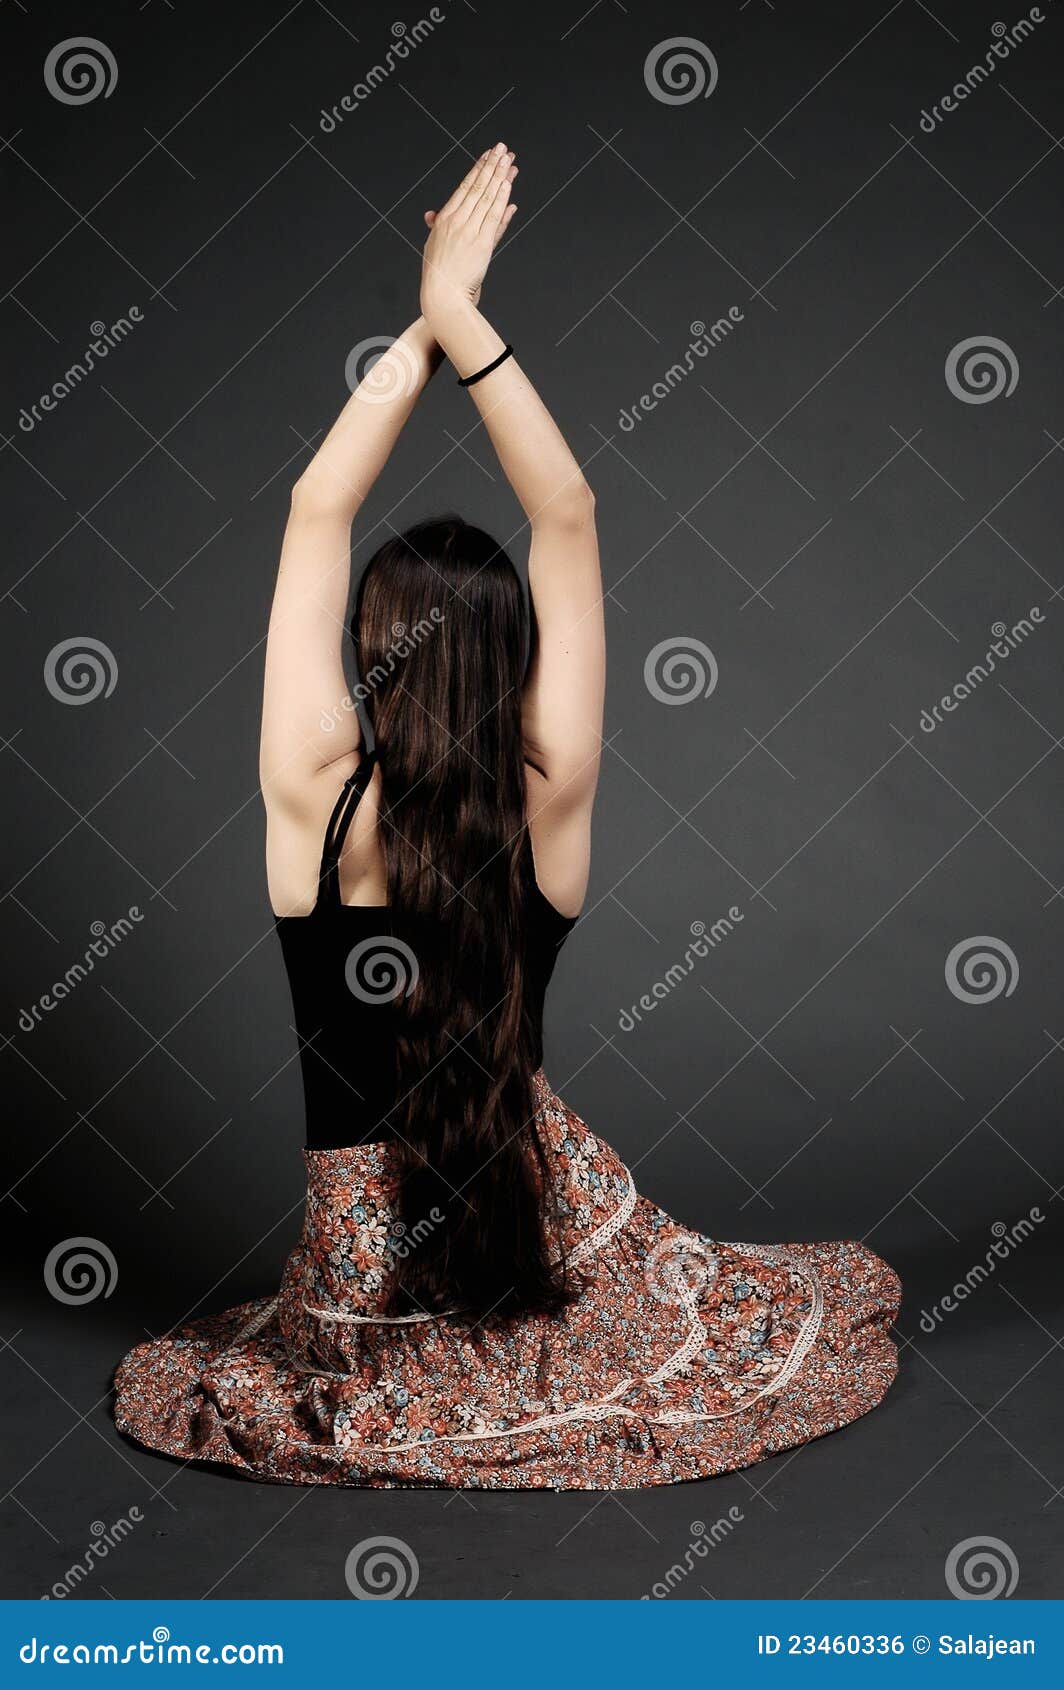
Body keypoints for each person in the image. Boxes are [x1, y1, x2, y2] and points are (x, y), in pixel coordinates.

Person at [114, 145, 900, 1489]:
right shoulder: (554, 797)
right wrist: (467, 315)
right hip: (536, 1218)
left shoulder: (315, 792)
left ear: (372, 645)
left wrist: (419, 328)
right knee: (812, 1298)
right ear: (517, 659)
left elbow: (316, 504)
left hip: (362, 1288)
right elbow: (569, 508)